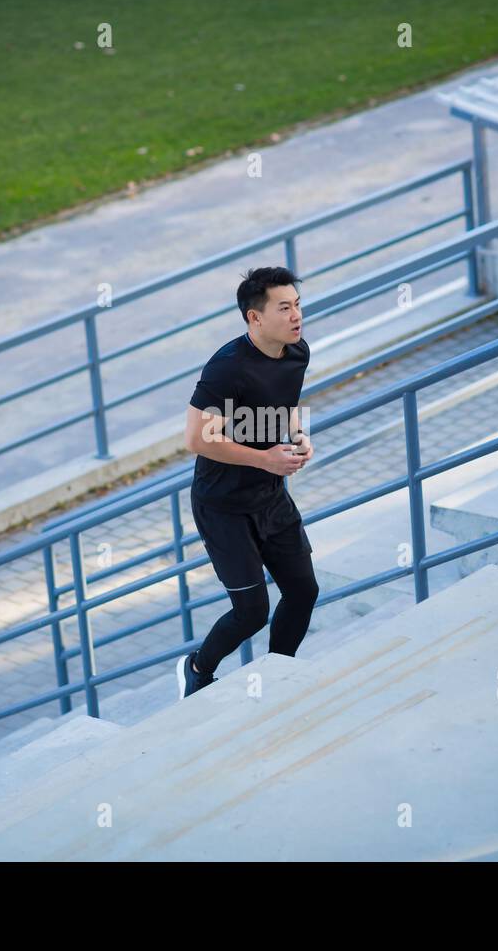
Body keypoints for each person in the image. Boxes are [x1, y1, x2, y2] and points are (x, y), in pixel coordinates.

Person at [177, 266, 320, 699]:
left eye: (297, 305)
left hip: (269, 494)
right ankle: (198, 668)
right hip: (222, 505)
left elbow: (284, 404)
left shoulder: (297, 352)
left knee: (303, 590)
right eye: (284, 308)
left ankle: (278, 675)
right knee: (252, 611)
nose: (296, 316)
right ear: (254, 318)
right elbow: (197, 439)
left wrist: (298, 436)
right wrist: (265, 459)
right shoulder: (227, 369)